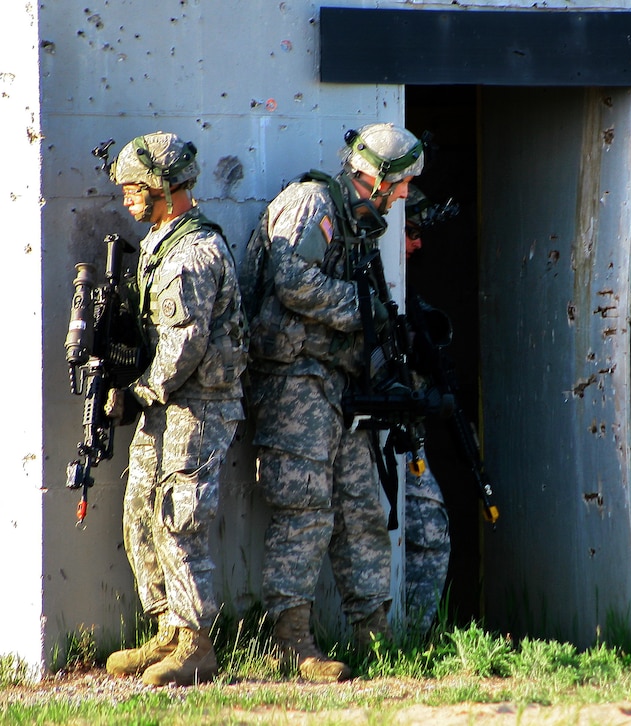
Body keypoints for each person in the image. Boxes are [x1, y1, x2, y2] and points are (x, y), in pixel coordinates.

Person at [243, 122, 424, 682]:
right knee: (304, 511)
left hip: (338, 382)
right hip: (294, 379)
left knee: (361, 507)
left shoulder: (359, 223)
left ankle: (375, 635)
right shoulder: (314, 202)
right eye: (400, 184)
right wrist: (363, 310)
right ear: (376, 177)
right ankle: (291, 643)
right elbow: (291, 279)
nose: (404, 195)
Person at [102, 132, 248, 686]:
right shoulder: (160, 243)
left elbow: (183, 346)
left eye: (135, 187)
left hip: (198, 405)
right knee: (141, 513)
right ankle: (167, 628)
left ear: (165, 187)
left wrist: (138, 392)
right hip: (168, 403)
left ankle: (195, 645)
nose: (127, 197)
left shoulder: (191, 254)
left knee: (178, 520)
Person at [401, 185, 454, 634]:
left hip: (405, 437)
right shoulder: (366, 282)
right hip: (371, 436)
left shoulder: (405, 292)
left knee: (430, 536)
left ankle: (412, 641)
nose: (418, 244)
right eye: (411, 232)